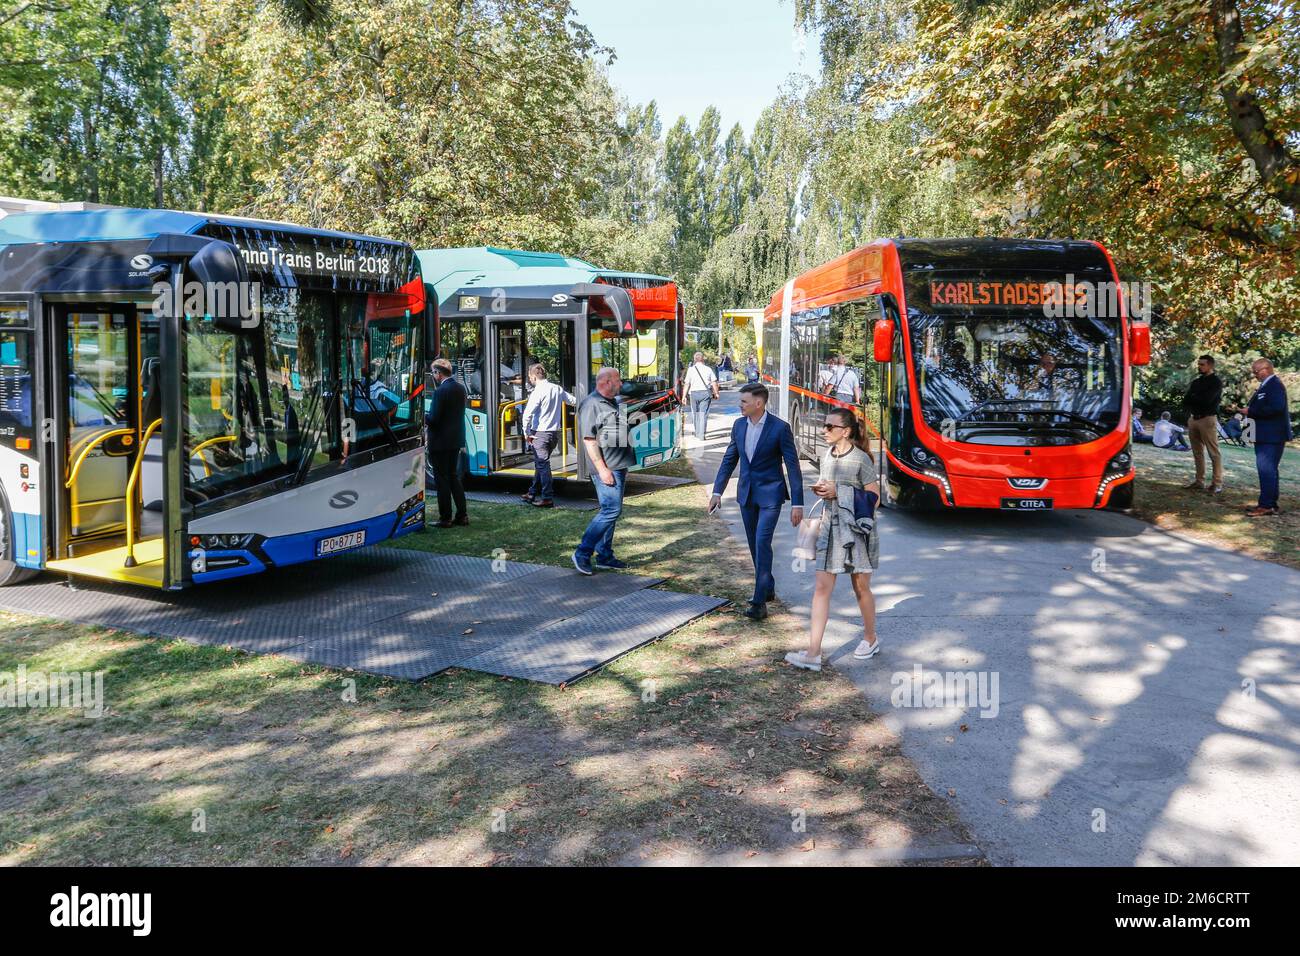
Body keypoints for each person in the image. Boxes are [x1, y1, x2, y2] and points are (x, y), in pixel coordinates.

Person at [786, 408, 880, 672]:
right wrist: (821, 488)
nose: (824, 430)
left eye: (830, 426)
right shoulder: (826, 455)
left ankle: (870, 638)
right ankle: (813, 652)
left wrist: (839, 491)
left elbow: (875, 498)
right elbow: (829, 485)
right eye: (825, 426)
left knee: (860, 588)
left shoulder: (861, 460)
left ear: (846, 431)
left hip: (856, 534)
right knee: (820, 588)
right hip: (830, 529)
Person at [708, 382, 804, 620]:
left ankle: (759, 602)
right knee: (753, 544)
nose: (739, 405)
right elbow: (730, 459)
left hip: (771, 495)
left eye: (743, 402)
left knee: (762, 542)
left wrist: (798, 503)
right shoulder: (739, 425)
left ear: (758, 403)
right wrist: (717, 491)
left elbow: (793, 466)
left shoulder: (780, 428)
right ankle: (768, 583)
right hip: (746, 494)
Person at [572, 367, 635, 574]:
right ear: (607, 382)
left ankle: (604, 556)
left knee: (612, 512)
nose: (621, 384)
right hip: (607, 468)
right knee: (611, 510)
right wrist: (602, 470)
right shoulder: (591, 405)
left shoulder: (610, 401)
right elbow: (589, 440)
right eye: (618, 381)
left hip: (618, 466)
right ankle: (582, 552)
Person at [1228, 357, 1292, 517]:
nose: (1254, 375)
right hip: (1266, 434)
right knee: (1269, 470)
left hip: (1271, 436)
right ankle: (1270, 504)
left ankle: (1266, 506)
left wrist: (1251, 412)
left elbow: (1277, 408)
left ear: (1266, 369)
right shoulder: (1267, 386)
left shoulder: (1274, 385)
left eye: (1256, 371)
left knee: (1266, 470)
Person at [520, 363, 575, 509]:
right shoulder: (556, 388)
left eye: (530, 377)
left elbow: (527, 415)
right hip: (554, 435)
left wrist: (527, 434)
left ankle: (547, 498)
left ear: (533, 377)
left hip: (540, 435)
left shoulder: (537, 392)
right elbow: (573, 401)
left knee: (543, 465)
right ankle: (531, 493)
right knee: (540, 464)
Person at [425, 358, 469, 528]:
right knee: (453, 477)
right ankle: (462, 515)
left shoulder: (440, 391)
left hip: (440, 442)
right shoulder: (460, 388)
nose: (433, 376)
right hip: (455, 440)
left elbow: (434, 419)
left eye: (433, 372)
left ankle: (445, 518)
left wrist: (423, 417)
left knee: (441, 480)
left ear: (438, 373)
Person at [1183, 354, 1223, 493]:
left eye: (1202, 364)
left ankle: (1217, 483)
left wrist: (1195, 397)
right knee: (1197, 452)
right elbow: (1186, 400)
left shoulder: (1216, 382)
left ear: (1210, 365)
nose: (1199, 367)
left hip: (1207, 419)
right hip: (1194, 419)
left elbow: (1207, 401)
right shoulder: (1196, 382)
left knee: (1213, 452)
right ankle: (1199, 481)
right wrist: (1196, 398)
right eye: (1198, 364)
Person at [681, 351, 719, 442]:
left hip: (693, 394)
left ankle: (697, 432)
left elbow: (687, 383)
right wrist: (716, 393)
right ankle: (701, 435)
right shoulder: (708, 369)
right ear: (703, 359)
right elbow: (714, 382)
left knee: (695, 413)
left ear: (694, 359)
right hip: (705, 393)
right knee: (703, 414)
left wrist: (684, 396)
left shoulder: (690, 370)